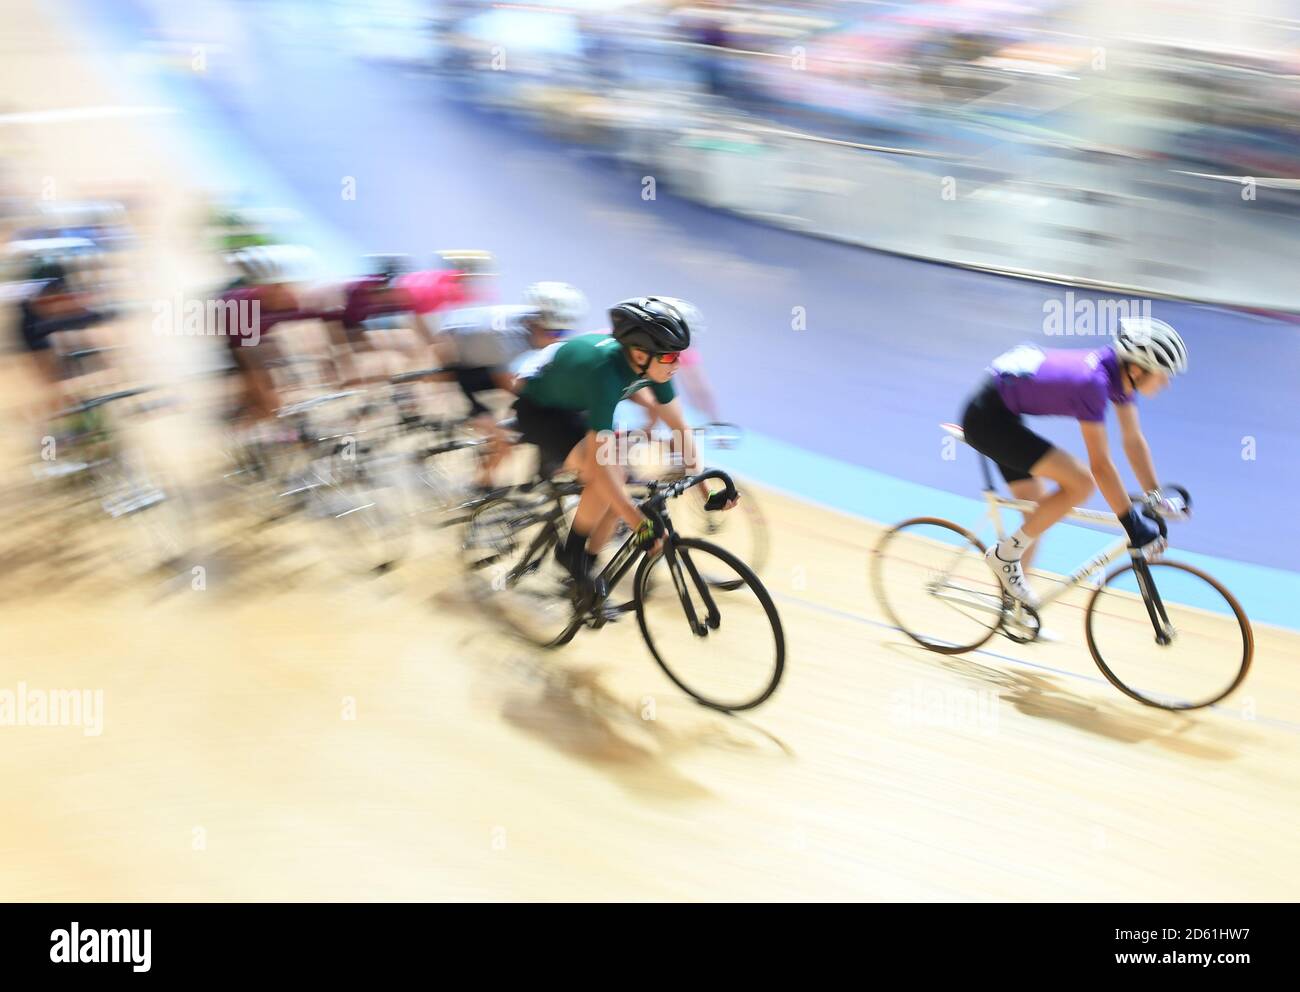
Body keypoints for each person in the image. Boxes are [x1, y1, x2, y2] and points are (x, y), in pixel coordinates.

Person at [959, 317, 1190, 608]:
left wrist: (1154, 496)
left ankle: (1013, 611)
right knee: (1080, 482)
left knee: (1037, 518)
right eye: (1163, 374)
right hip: (987, 420)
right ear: (1136, 368)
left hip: (1005, 411)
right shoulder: (1092, 383)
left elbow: (1132, 439)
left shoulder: (1120, 375)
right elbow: (1101, 465)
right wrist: (1131, 523)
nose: (1167, 383)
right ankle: (1004, 556)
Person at [512, 296, 729, 598]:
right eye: (670, 357)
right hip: (540, 409)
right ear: (640, 355)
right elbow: (601, 464)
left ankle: (585, 565)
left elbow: (680, 428)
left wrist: (704, 486)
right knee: (605, 476)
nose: (677, 365)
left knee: (618, 483)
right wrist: (639, 525)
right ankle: (571, 553)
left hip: (576, 401)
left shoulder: (656, 365)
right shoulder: (606, 373)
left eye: (679, 355)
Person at [430, 281, 588, 487]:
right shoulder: (505, 339)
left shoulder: (530, 326)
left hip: (480, 358)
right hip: (464, 367)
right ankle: (478, 490)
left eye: (561, 334)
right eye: (552, 333)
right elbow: (512, 386)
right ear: (534, 322)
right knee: (503, 440)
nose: (554, 339)